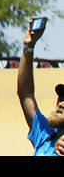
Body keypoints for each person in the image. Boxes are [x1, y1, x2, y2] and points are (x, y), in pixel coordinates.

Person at [17, 24, 64, 155]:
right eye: (60, 99)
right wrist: (29, 47)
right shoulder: (45, 133)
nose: (60, 104)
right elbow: (25, 94)